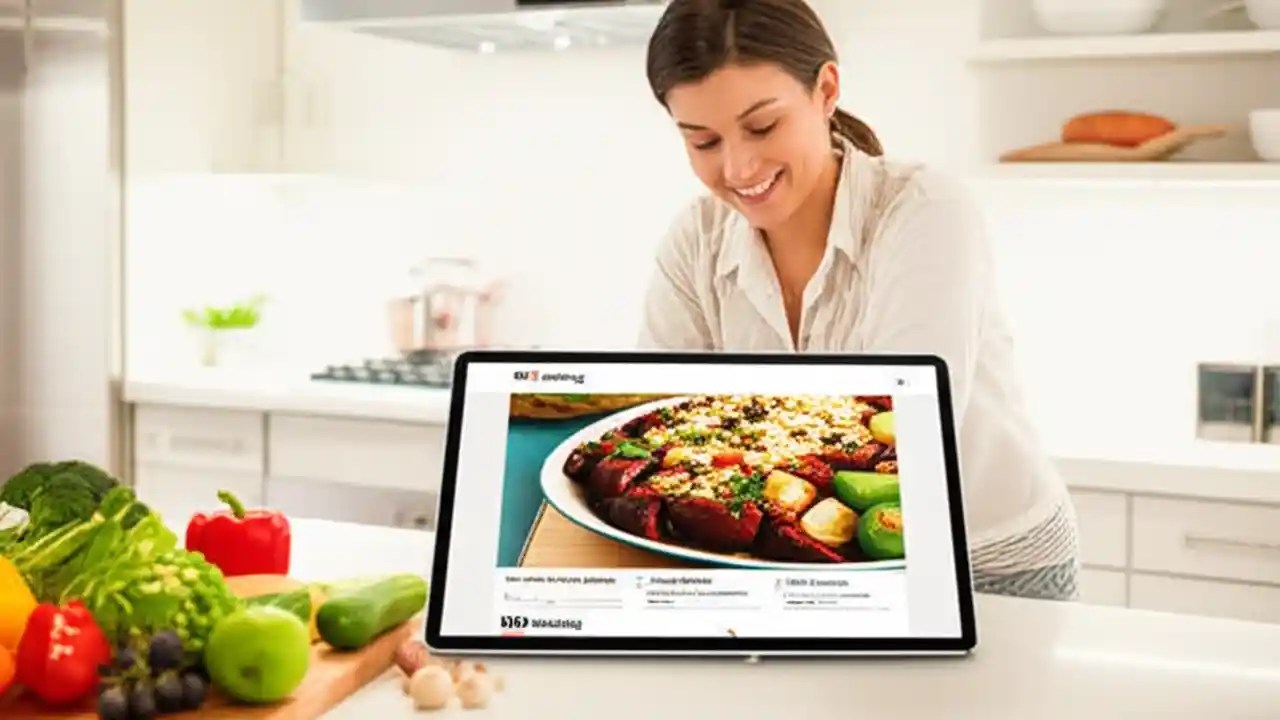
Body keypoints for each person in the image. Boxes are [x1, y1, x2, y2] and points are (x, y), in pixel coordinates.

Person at [638, 0, 1081, 601]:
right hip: (800, 562)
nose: (738, 167)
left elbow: (904, 430)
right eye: (704, 141)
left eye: (763, 127)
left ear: (826, 90)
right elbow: (665, 415)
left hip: (987, 559)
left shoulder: (923, 212)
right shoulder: (696, 240)